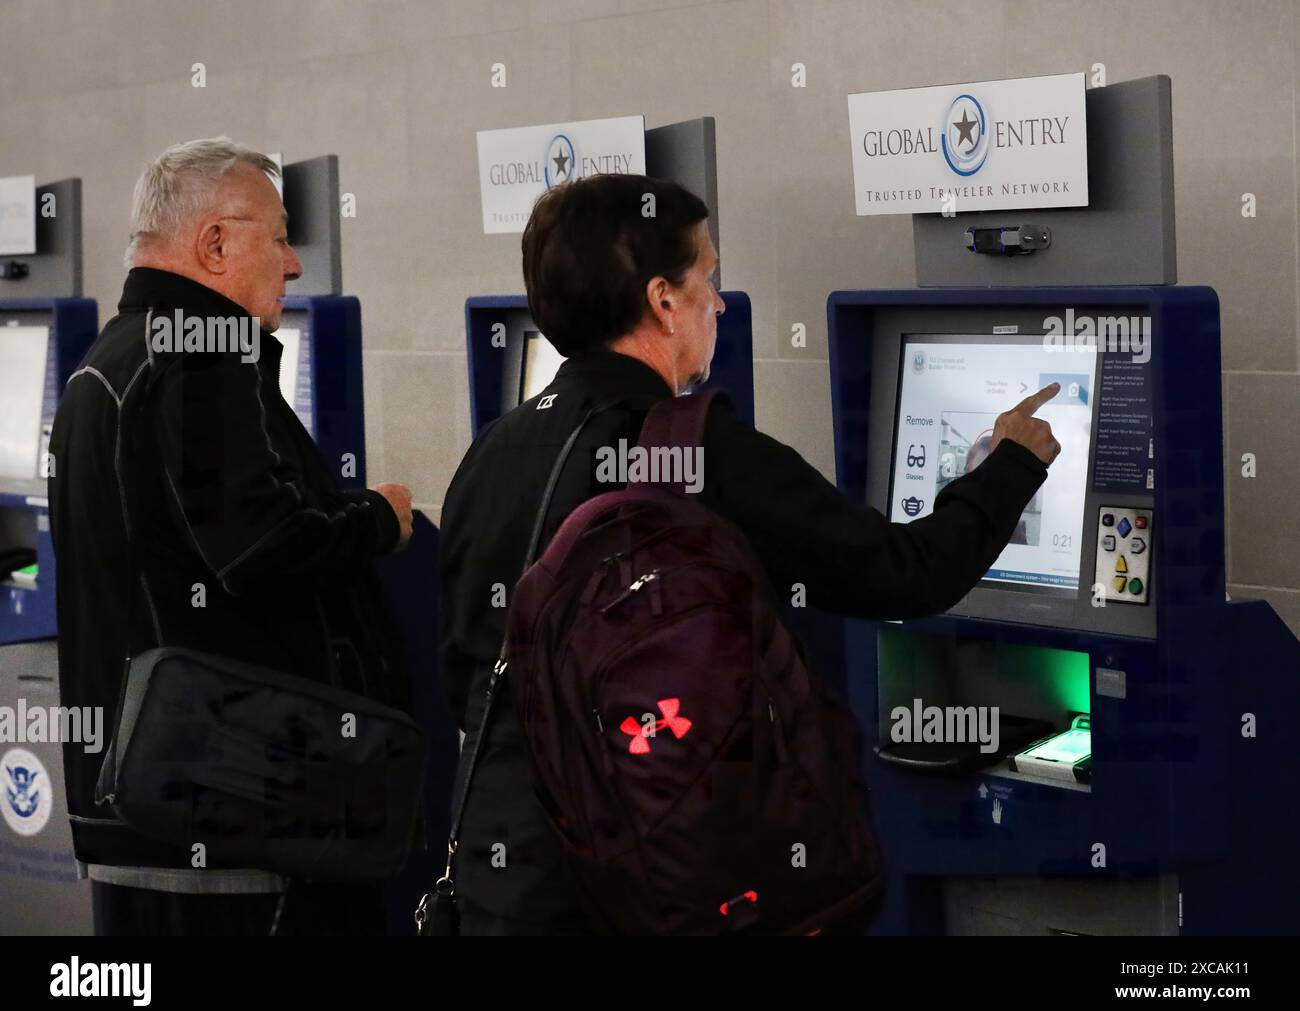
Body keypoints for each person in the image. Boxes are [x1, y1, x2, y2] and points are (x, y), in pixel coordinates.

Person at [438, 173, 1060, 935]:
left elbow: (466, 671)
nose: (720, 302)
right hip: (649, 888)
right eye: (708, 276)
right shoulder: (697, 451)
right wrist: (1012, 465)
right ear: (663, 300)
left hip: (505, 878)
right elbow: (909, 573)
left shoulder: (493, 452)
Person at [49, 138, 415, 936]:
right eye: (279, 237)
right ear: (215, 243)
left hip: (146, 800)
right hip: (235, 816)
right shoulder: (201, 355)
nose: (292, 265)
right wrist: (378, 520)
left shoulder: (106, 361)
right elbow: (262, 548)